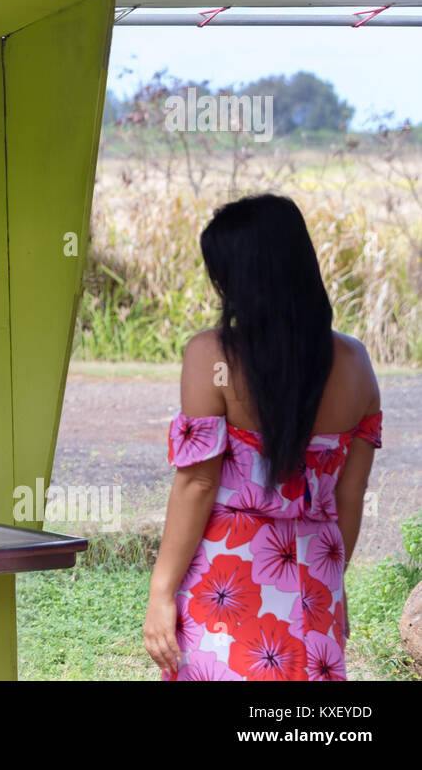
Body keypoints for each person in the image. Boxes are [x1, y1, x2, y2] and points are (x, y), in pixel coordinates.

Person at [144, 193, 382, 680]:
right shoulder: (357, 364)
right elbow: (349, 496)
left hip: (227, 582)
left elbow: (198, 484)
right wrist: (329, 585)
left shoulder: (211, 356)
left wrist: (161, 593)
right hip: (315, 582)